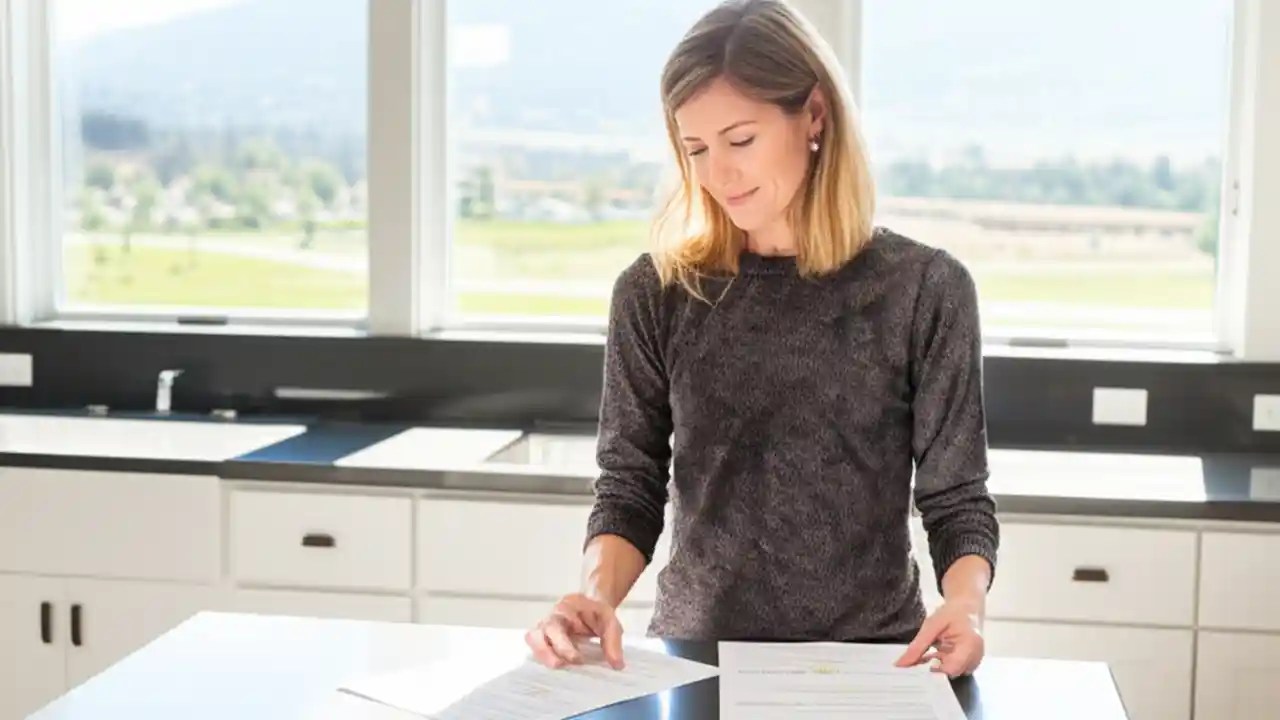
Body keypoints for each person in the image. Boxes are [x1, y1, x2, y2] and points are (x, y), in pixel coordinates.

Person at [525, 0, 998, 679]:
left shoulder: (925, 290)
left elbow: (957, 497)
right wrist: (594, 597)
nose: (717, 174)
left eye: (739, 141)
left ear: (813, 115)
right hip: (693, 664)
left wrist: (967, 605)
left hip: (872, 668)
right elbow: (629, 486)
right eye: (695, 150)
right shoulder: (656, 293)